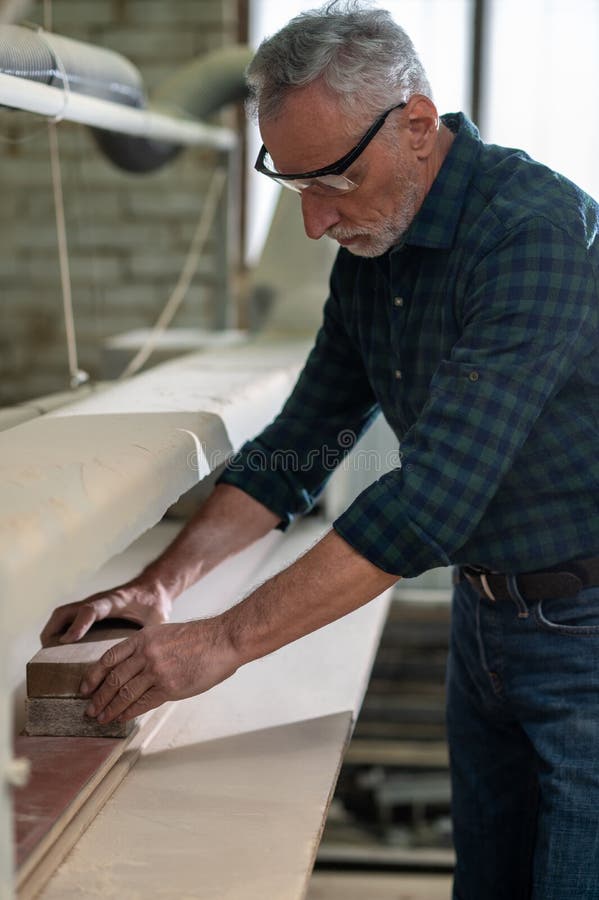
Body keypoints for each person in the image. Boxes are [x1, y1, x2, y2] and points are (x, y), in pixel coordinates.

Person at [42, 2, 599, 897]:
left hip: (584, 632)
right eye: (295, 186)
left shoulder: (532, 234)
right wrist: (162, 585)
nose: (314, 224)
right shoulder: (372, 253)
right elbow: (297, 447)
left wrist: (222, 639)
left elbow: (431, 501)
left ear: (416, 125)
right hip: (487, 619)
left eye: (333, 181)